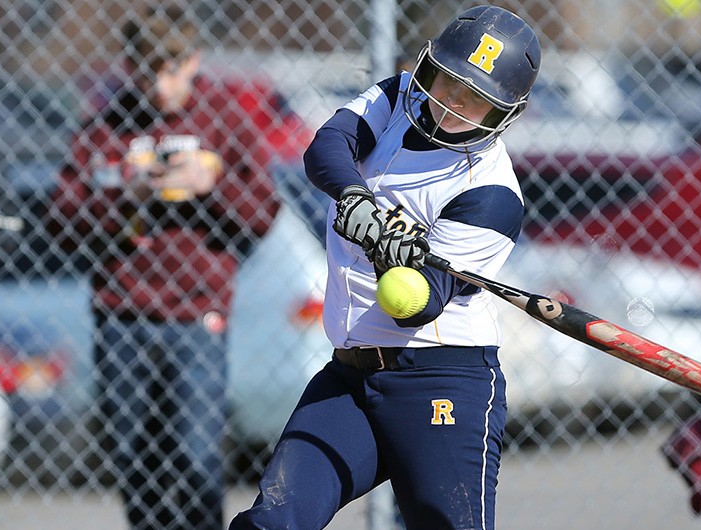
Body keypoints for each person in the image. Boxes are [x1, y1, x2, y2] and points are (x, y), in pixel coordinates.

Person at [228, 6, 540, 530]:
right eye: (449, 80)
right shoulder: (398, 97)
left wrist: (385, 251)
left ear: (504, 112)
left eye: (477, 98)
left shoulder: (492, 194)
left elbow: (419, 306)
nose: (454, 102)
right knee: (273, 521)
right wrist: (358, 200)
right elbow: (326, 148)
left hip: (442, 379)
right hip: (351, 374)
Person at [46, 7, 279, 530]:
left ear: (193, 61)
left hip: (196, 315)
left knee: (196, 460)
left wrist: (209, 185)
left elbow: (265, 212)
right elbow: (61, 217)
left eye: (170, 70)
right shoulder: (107, 123)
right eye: (146, 69)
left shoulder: (221, 116)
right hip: (122, 315)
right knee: (136, 465)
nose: (158, 85)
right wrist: (122, 196)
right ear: (129, 65)